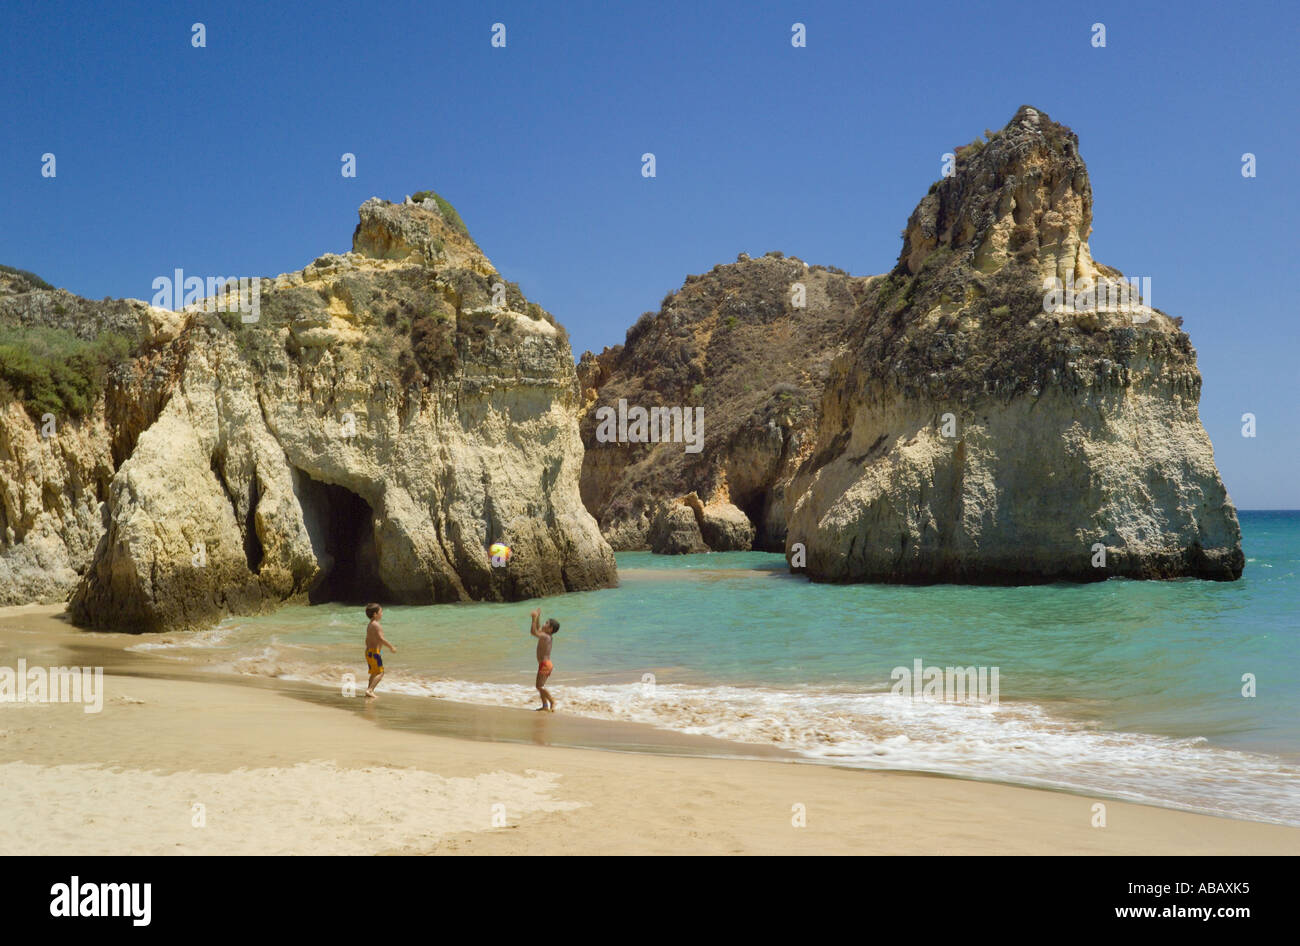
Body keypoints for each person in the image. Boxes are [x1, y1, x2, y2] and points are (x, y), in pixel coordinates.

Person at [529, 607, 560, 712]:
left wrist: (533, 619)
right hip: (544, 664)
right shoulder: (546, 635)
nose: (543, 624)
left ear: (550, 629)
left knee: (539, 686)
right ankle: (545, 706)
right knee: (539, 686)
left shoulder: (546, 637)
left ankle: (551, 701)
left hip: (545, 664)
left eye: (546, 623)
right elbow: (538, 629)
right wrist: (538, 617)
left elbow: (533, 632)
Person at [363, 603, 395, 698]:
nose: (382, 614)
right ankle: (370, 690)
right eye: (381, 612)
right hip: (374, 653)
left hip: (368, 652)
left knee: (373, 672)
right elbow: (381, 639)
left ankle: (369, 690)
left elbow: (367, 639)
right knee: (380, 673)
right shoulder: (376, 625)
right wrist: (391, 646)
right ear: (375, 614)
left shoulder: (370, 625)